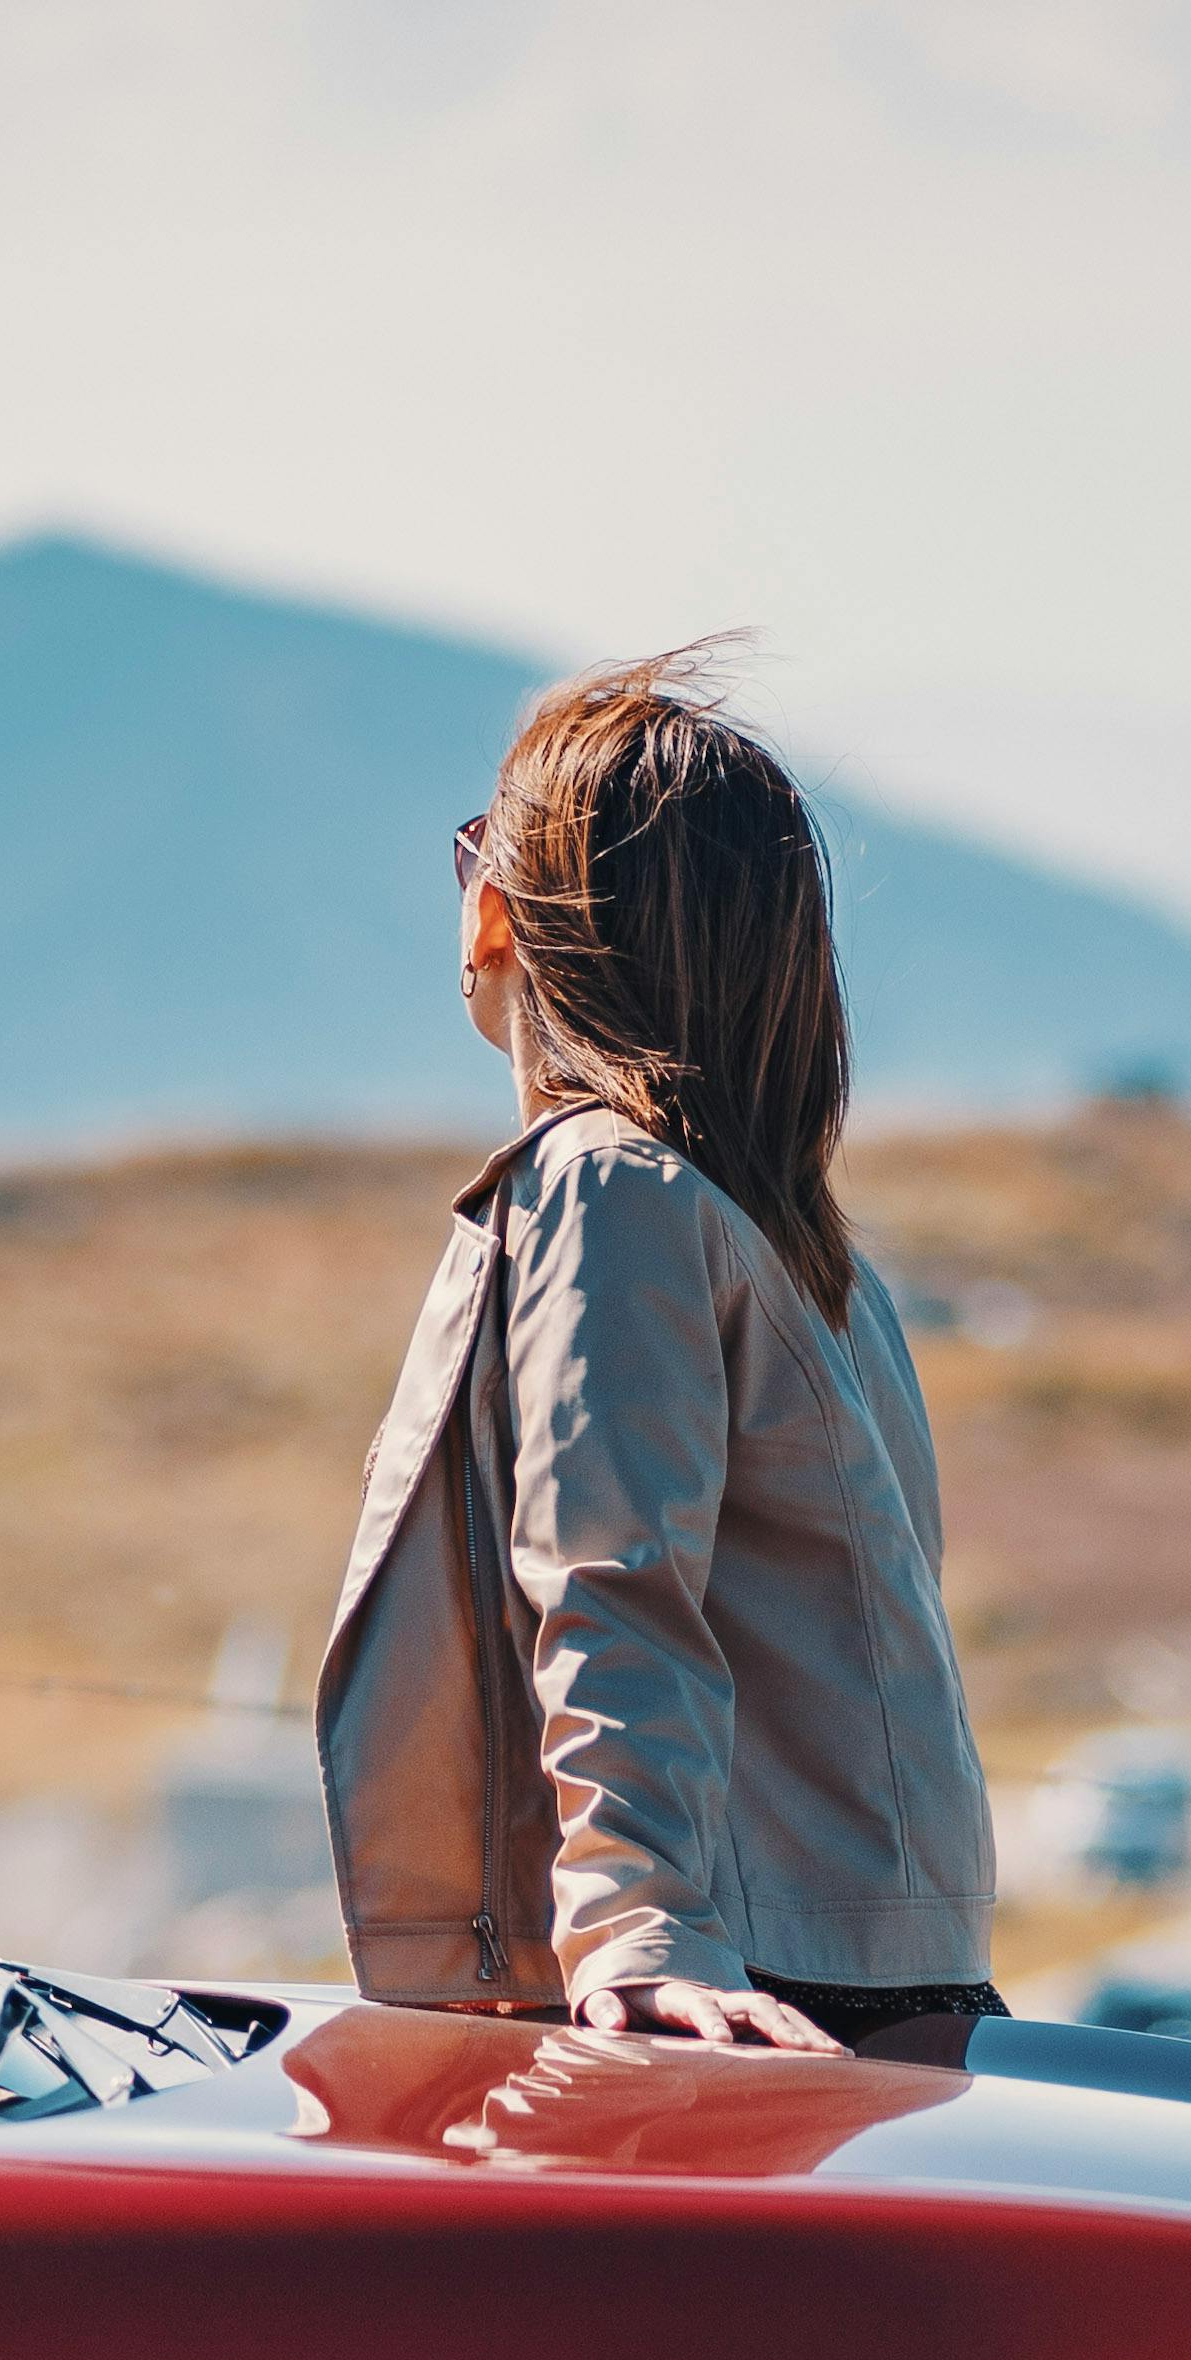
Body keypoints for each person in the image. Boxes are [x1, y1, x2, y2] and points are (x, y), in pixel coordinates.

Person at [316, 646, 1000, 2055]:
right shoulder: (806, 1250)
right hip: (859, 1977)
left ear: (508, 914)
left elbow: (613, 1576)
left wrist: (635, 1924)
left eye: (472, 855)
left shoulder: (607, 1186)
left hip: (733, 1998)